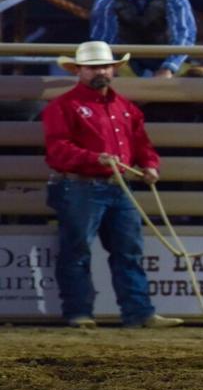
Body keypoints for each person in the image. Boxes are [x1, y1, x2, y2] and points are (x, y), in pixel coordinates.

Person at [42, 42, 182, 330]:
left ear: (113, 69)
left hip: (117, 186)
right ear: (79, 70)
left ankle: (138, 312)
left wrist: (150, 165)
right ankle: (80, 312)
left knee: (128, 250)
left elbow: (142, 144)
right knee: (78, 250)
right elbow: (57, 150)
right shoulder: (63, 107)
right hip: (79, 186)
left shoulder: (125, 108)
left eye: (104, 66)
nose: (100, 72)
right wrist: (95, 158)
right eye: (93, 67)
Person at [87, 0, 196, 79]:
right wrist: (110, 66)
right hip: (126, 62)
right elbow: (103, 41)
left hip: (169, 59)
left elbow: (184, 35)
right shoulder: (107, 0)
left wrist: (168, 67)